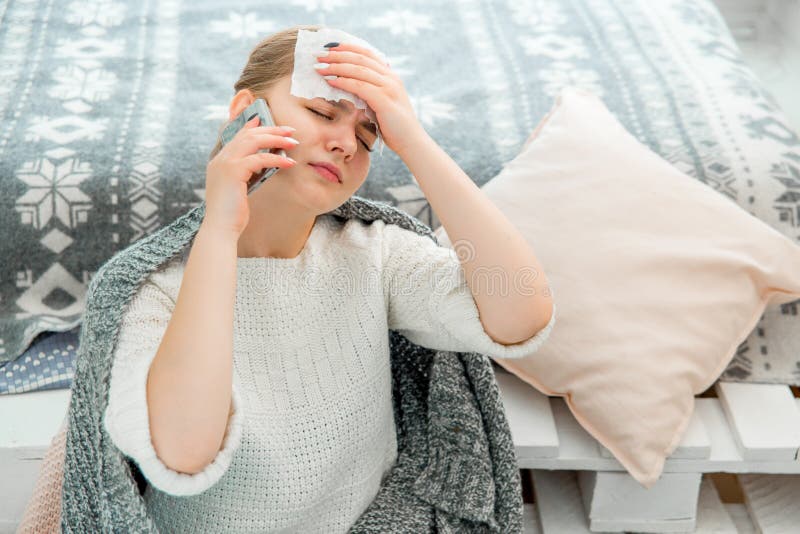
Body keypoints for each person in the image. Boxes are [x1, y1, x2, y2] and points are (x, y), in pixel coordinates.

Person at [102, 24, 555, 533]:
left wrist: (414, 141)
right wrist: (219, 232)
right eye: (321, 112)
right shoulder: (155, 287)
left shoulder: (374, 255)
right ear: (244, 115)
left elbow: (521, 312)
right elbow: (184, 454)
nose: (345, 143)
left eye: (367, 139)